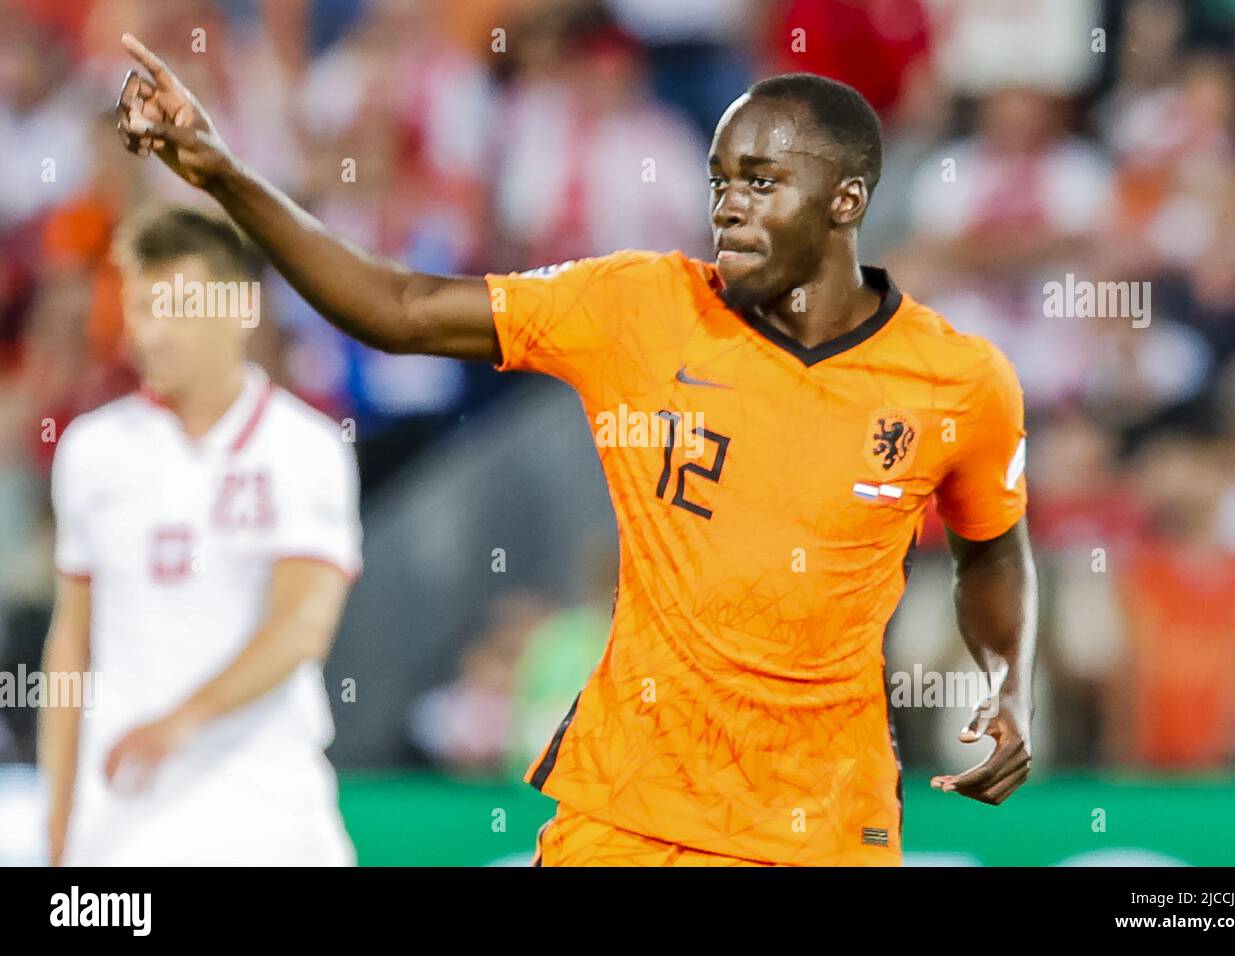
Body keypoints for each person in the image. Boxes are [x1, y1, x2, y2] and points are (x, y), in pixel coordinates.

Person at [113, 34, 1036, 866]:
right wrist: (222, 173)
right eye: (719, 182)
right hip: (630, 819)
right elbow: (400, 310)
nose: (730, 208)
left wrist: (1004, 682)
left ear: (846, 200)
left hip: (828, 827)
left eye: (762, 181)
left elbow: (992, 548)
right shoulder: (641, 307)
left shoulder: (958, 381)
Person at [38, 204, 362, 865]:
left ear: (241, 307)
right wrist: (58, 819)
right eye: (141, 306)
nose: (151, 333)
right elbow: (71, 640)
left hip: (270, 818)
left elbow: (302, 624)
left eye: (177, 306)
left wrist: (181, 721)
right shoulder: (92, 451)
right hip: (125, 827)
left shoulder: (306, 448)